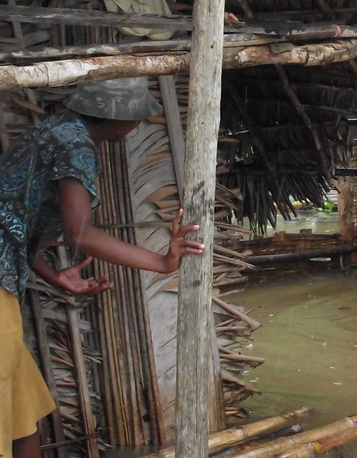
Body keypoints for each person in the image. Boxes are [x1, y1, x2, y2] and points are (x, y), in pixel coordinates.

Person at [1, 77, 204, 458]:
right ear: (123, 121)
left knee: (21, 408)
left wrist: (51, 274)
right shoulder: (74, 144)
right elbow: (79, 233)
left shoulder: (54, 131)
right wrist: (161, 262)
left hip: (7, 271)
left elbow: (10, 221)